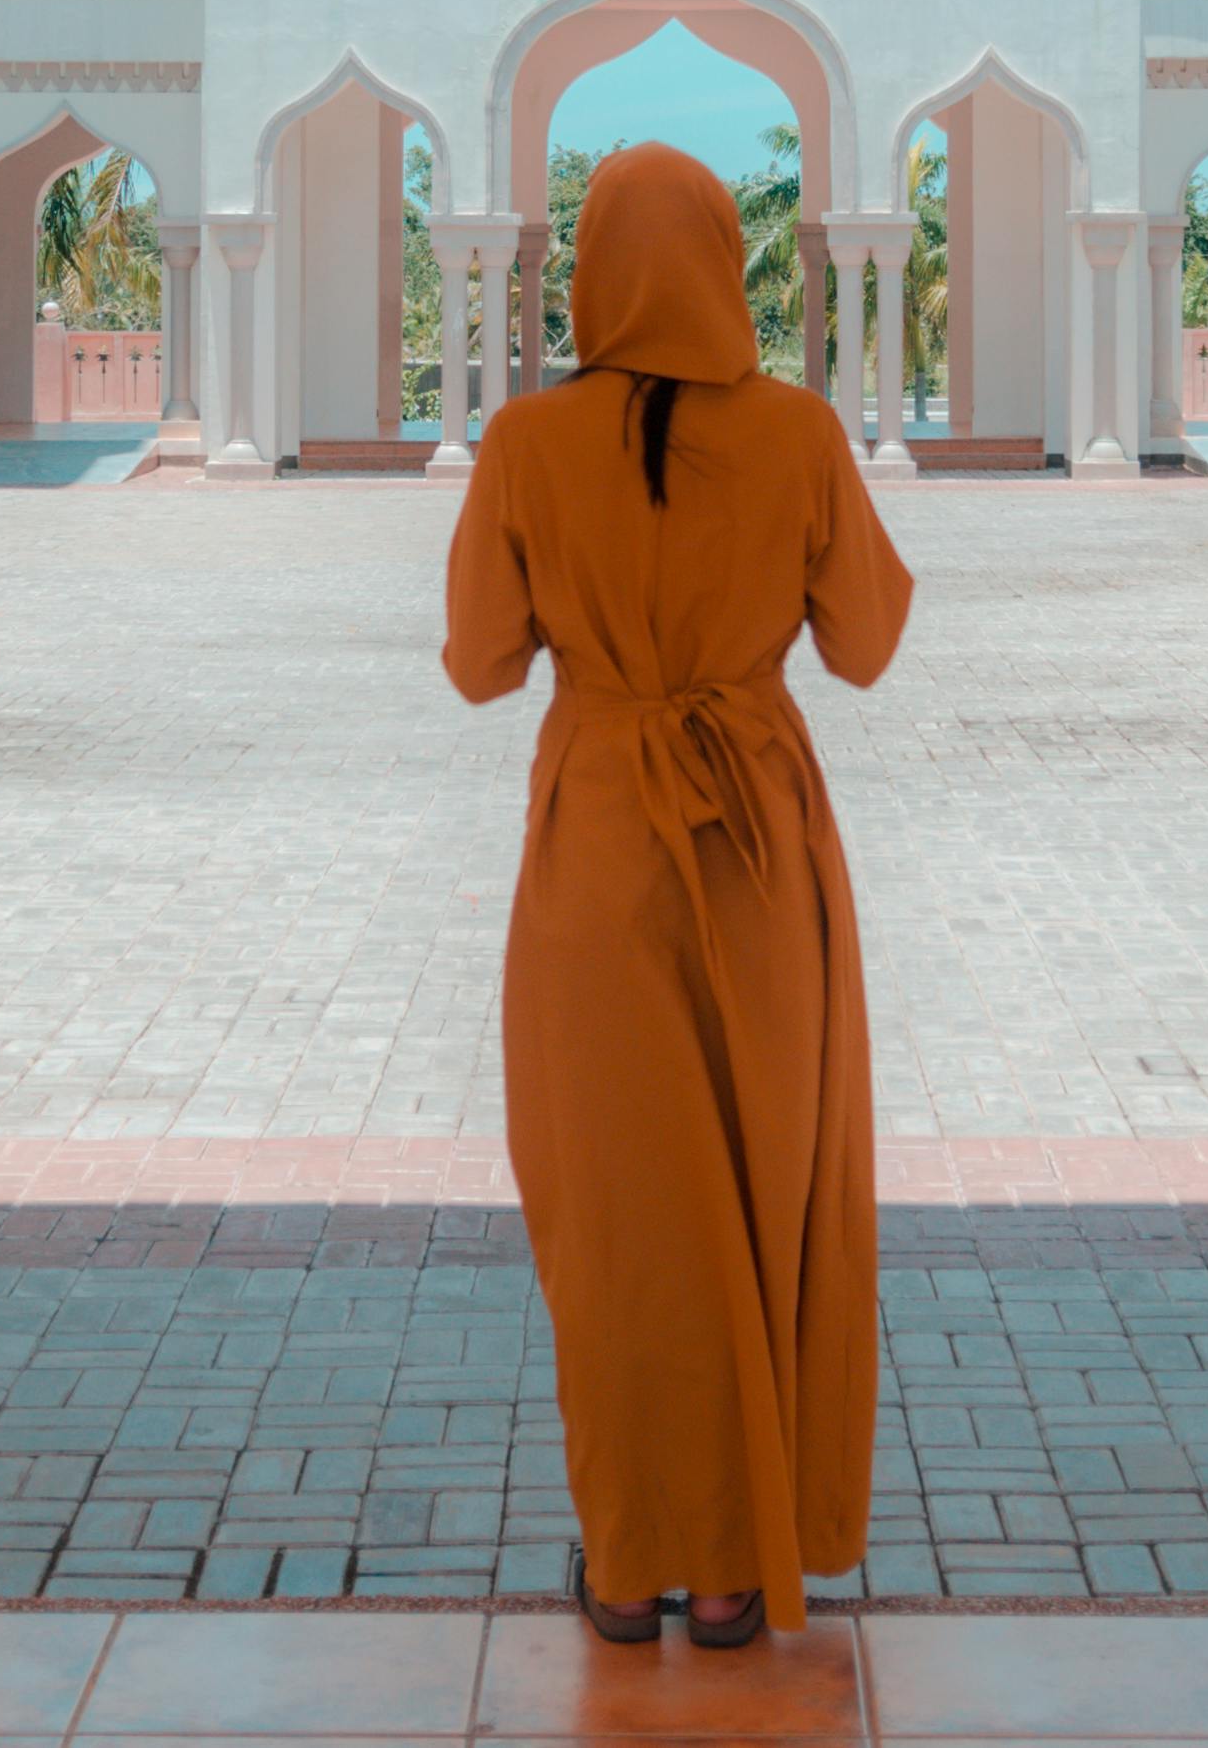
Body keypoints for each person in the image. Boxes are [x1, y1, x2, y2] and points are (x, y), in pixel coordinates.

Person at [443, 142, 913, 1648]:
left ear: (592, 271)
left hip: (598, 841)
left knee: (619, 1214)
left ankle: (630, 1559)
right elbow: (866, 643)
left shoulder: (524, 441)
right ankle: (736, 1570)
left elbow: (477, 663)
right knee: (764, 1192)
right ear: (725, 258)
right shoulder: (798, 435)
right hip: (761, 843)